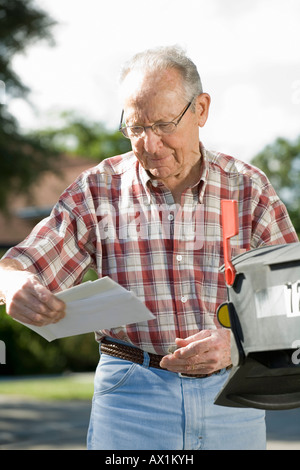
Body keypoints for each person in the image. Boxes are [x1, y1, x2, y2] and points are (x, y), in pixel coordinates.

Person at [0, 46, 298, 450]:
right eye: (136, 128)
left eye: (162, 125)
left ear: (202, 110)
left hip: (231, 401)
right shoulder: (97, 190)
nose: (150, 144)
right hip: (130, 398)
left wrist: (234, 346)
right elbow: (20, 265)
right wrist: (14, 284)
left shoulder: (248, 188)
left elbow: (290, 300)